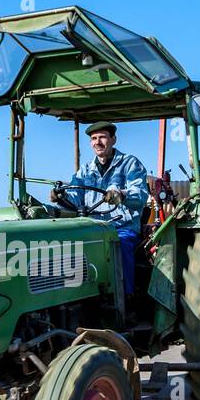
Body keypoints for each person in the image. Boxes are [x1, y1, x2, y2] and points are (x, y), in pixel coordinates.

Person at [49, 121, 149, 297]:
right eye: (94, 138)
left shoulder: (130, 164)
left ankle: (125, 298)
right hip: (93, 227)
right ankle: (69, 297)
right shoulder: (86, 169)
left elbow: (140, 194)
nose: (98, 142)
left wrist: (121, 195)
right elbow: (75, 195)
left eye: (102, 137)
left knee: (119, 244)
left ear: (113, 139)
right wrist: (61, 197)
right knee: (65, 244)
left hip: (121, 227)